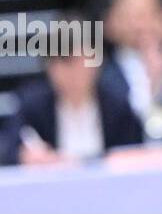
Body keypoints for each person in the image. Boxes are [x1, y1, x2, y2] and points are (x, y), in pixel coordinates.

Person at [0, 20, 143, 166]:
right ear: (49, 66)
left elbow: (135, 149)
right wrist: (25, 156)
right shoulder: (32, 106)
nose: (72, 74)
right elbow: (10, 148)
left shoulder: (117, 105)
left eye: (79, 61)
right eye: (63, 62)